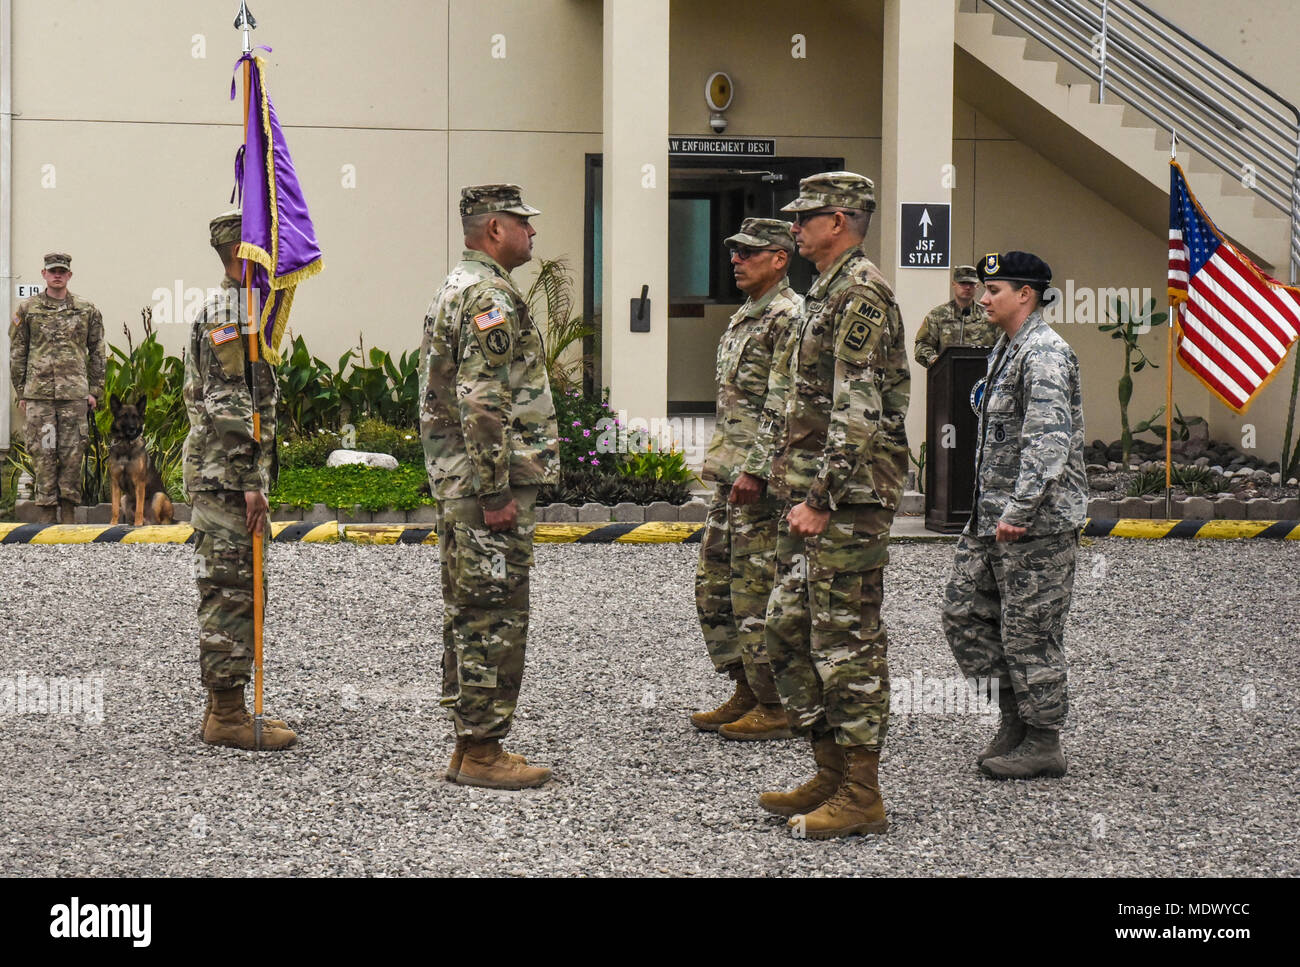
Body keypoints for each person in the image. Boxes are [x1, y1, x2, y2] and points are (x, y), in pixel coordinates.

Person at [758, 172, 911, 838]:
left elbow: (857, 410)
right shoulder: (826, 289)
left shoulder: (860, 294)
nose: (795, 227)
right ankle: (830, 768)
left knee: (847, 643)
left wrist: (821, 497)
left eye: (807, 216)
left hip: (851, 503)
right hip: (820, 499)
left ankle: (862, 791)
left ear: (841, 221)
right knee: (787, 628)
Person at [421, 184, 558, 790]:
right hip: (484, 490)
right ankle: (482, 751)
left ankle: (468, 743)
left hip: (461, 482)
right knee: (494, 614)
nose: (534, 235)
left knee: (469, 609)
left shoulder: (457, 286)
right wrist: (497, 488)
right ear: (496, 228)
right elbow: (481, 401)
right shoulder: (489, 296)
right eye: (524, 225)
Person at [941, 251, 1087, 780]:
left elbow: (1048, 443)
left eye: (994, 289)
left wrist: (1020, 510)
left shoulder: (1044, 352)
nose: (982, 298)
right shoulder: (1006, 348)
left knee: (1030, 630)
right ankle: (1014, 719)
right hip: (991, 519)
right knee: (964, 615)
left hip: (1034, 525)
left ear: (1025, 294)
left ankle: (1043, 739)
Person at [184, 210, 297, 751]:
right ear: (244, 254)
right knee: (231, 591)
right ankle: (227, 715)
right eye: (265, 251)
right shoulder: (229, 312)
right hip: (227, 478)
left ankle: (223, 705)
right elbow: (228, 402)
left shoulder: (243, 309)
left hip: (229, 474)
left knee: (235, 586)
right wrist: (251, 478)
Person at [691, 218, 803, 741]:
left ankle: (776, 703)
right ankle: (745, 685)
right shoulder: (746, 316)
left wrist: (758, 468)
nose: (736, 260)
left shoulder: (789, 317)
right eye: (734, 252)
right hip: (729, 475)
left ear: (780, 259)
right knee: (716, 586)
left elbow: (785, 403)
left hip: (761, 480)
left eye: (749, 253)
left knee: (756, 589)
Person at [10, 253, 105, 523]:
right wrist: (22, 391)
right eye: (53, 271)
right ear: (44, 274)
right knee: (43, 452)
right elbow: (18, 352)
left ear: (69, 275)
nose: (57, 275)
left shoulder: (86, 310)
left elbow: (98, 351)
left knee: (72, 452)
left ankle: (69, 514)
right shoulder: (27, 310)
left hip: (74, 395)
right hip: (39, 395)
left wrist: (94, 390)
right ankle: (47, 514)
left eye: (62, 271)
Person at [912, 264, 996, 369]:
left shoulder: (990, 315)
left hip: (982, 376)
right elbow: (922, 344)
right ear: (953, 284)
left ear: (977, 286)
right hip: (947, 376)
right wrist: (934, 360)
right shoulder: (937, 315)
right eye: (962, 283)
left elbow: (1002, 346)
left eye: (971, 283)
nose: (967, 287)